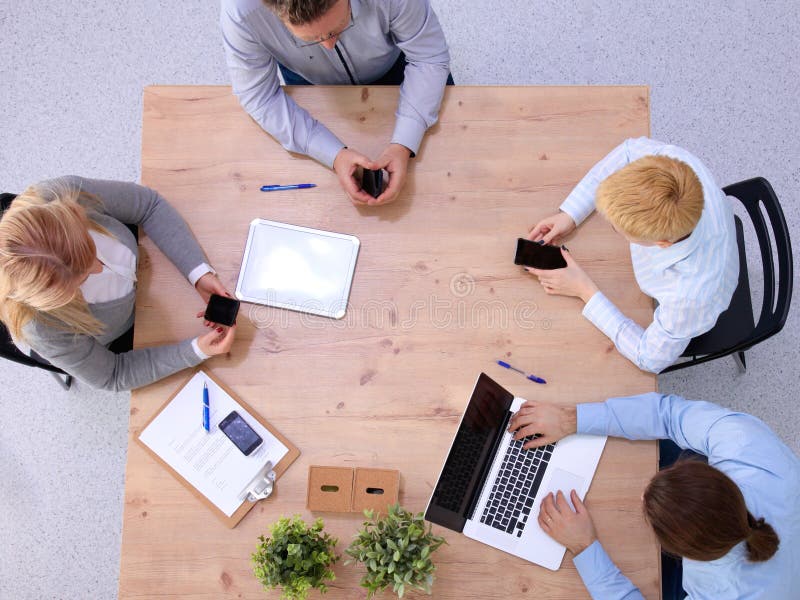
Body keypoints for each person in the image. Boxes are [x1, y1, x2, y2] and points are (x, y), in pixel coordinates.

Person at [507, 393, 800, 599]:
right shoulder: (741, 441)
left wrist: (584, 548)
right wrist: (573, 419)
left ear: (676, 550)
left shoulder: (718, 591)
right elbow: (667, 414)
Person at [0, 176, 237, 391]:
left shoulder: (59, 194)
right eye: (83, 278)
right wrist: (196, 351)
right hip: (127, 335)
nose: (99, 268)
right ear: (55, 298)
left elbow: (148, 205)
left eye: (90, 246)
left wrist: (198, 273)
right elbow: (113, 374)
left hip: (154, 278)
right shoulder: (43, 329)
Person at [525, 137, 738, 373]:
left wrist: (584, 290)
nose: (612, 227)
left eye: (617, 229)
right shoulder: (679, 167)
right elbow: (628, 151)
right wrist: (571, 214)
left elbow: (649, 358)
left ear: (661, 243)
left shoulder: (688, 299)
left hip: (700, 306)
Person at [220, 0, 451, 206]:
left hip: (395, 64)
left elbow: (428, 57)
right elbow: (259, 97)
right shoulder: (241, 11)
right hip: (310, 81)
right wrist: (333, 154)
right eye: (311, 39)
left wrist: (404, 143)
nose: (329, 45)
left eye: (340, 26)